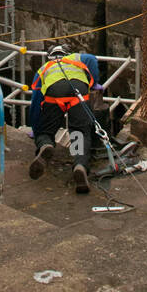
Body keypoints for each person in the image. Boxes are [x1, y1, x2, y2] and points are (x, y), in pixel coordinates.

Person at [28, 44, 101, 194]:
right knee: (79, 131)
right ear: (66, 53)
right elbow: (92, 60)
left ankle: (45, 145)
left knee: (45, 130)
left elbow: (36, 102)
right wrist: (94, 82)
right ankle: (80, 164)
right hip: (78, 89)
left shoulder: (44, 69)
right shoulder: (76, 58)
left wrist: (36, 129)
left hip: (54, 92)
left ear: (49, 56)